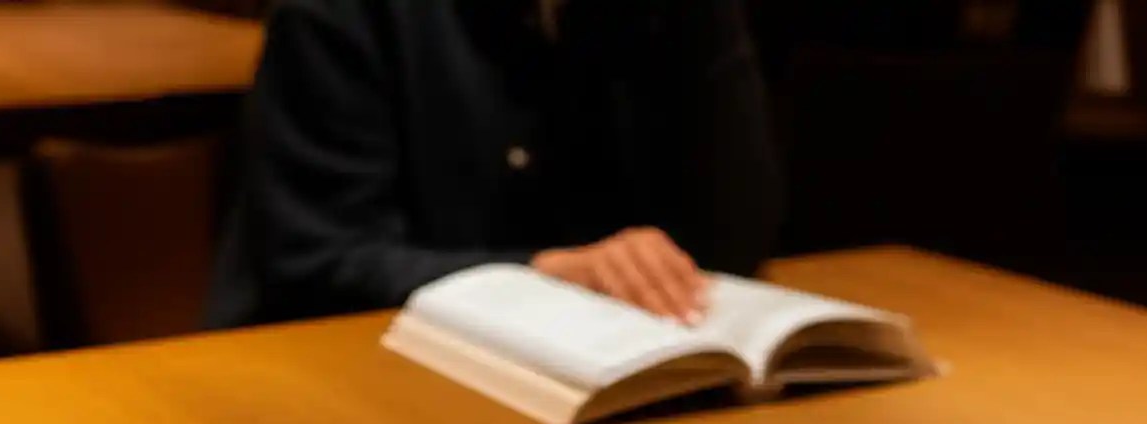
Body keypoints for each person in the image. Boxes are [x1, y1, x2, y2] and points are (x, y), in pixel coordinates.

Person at [208, 0, 782, 327]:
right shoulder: (340, 13)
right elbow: (316, 264)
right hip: (357, 365)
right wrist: (544, 272)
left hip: (605, 365)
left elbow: (733, 234)